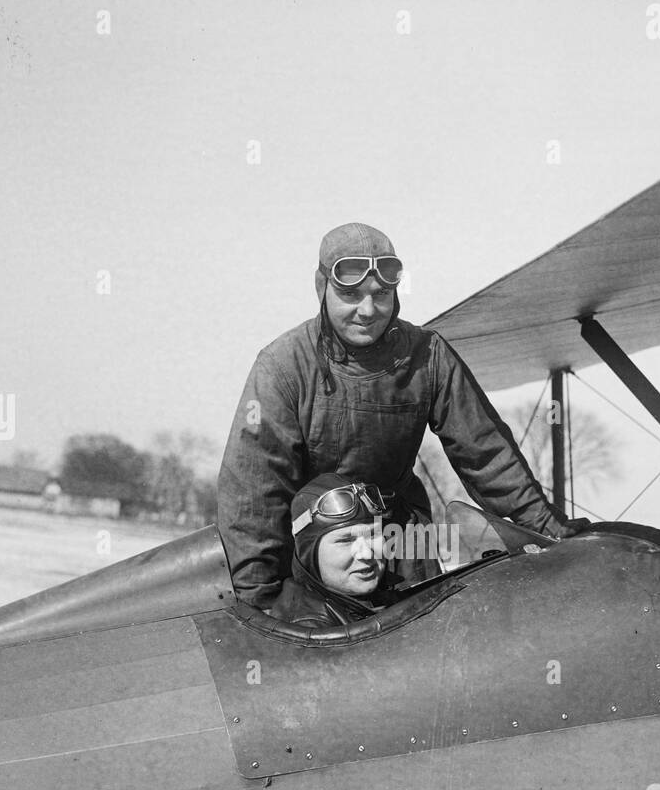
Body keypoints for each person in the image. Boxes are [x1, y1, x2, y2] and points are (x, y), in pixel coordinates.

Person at [218, 221, 589, 613]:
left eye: (381, 294)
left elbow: (485, 451)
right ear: (320, 287)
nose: (368, 310)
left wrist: (546, 528)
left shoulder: (427, 354)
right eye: (350, 294)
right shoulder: (283, 365)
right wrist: (259, 605)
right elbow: (254, 496)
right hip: (319, 549)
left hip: (400, 539)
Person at [270, 473, 398, 628]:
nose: (366, 553)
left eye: (373, 535)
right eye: (346, 540)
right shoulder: (307, 630)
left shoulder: (388, 588)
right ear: (309, 555)